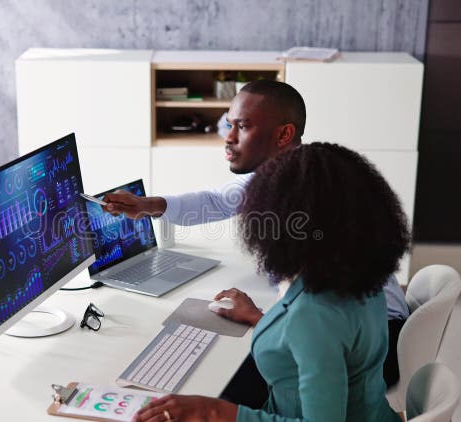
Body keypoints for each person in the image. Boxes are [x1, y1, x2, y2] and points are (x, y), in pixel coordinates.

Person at [104, 80, 409, 389]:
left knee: (219, 385)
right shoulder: (287, 175)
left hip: (370, 346)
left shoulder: (307, 192)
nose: (229, 138)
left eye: (243, 127)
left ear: (284, 135)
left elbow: (318, 332)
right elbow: (216, 201)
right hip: (356, 331)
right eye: (228, 125)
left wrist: (257, 318)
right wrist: (146, 206)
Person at [134, 142, 409, 422]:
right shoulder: (362, 279)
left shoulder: (313, 313)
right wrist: (261, 319)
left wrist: (215, 411)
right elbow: (334, 344)